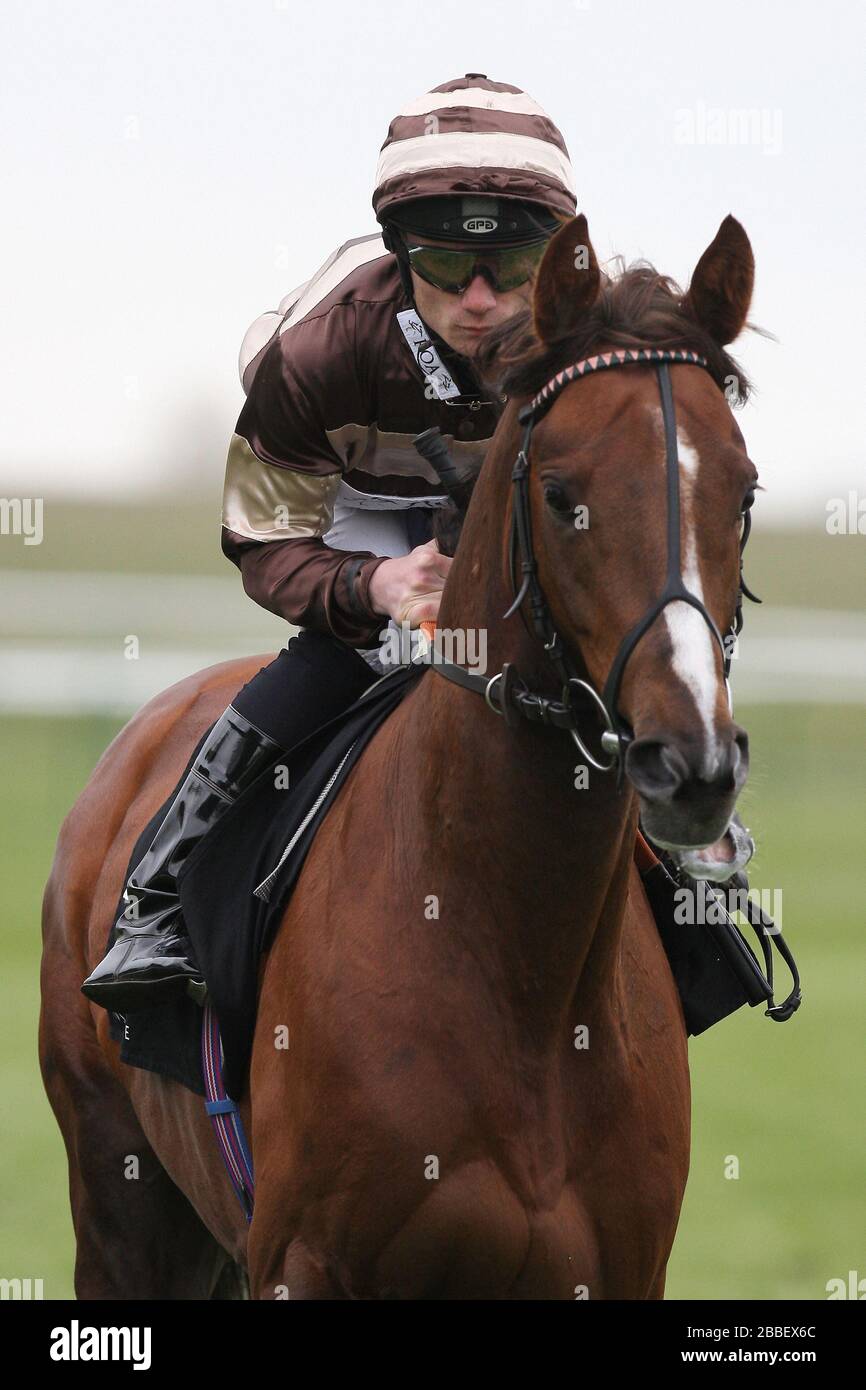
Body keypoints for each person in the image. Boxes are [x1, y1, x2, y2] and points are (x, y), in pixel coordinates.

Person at [82, 73, 751, 1011]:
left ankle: (698, 875)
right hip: (356, 512)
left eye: (512, 266)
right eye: (443, 265)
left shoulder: (583, 335)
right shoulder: (318, 355)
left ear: (555, 261)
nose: (478, 299)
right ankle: (158, 895)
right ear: (400, 252)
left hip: (511, 511)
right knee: (336, 667)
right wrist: (375, 587)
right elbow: (261, 535)